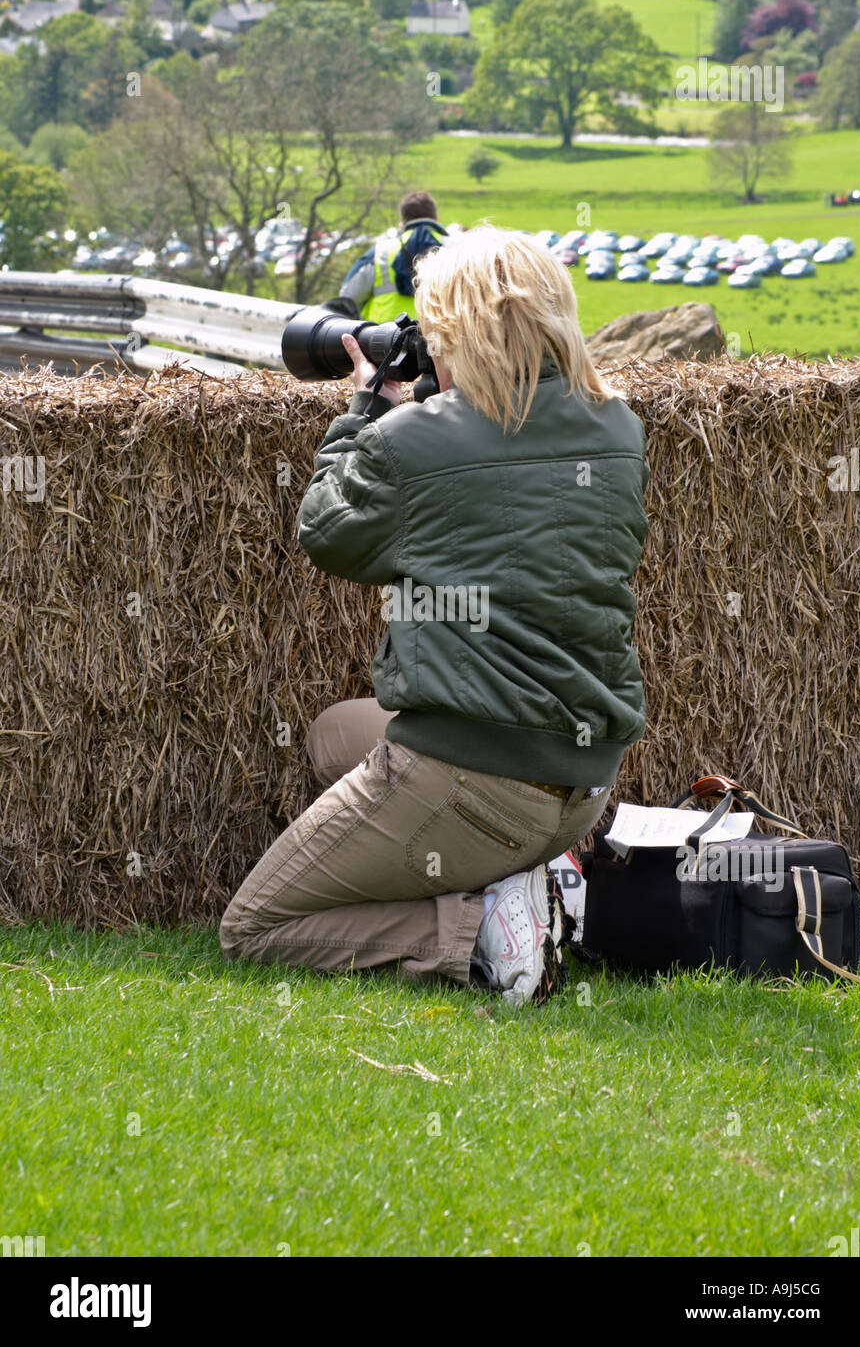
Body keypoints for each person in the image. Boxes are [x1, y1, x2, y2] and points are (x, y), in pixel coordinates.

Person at [220, 225, 649, 1007]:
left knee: (253, 925)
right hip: (582, 782)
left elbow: (329, 535)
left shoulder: (414, 439)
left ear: (456, 329)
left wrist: (362, 411)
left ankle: (481, 928)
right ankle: (542, 874)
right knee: (334, 734)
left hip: (473, 780)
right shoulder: (617, 427)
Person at [339, 190, 449, 322]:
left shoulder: (380, 252)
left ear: (402, 224)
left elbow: (347, 298)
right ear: (435, 219)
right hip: (439, 336)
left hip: (382, 337)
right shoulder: (455, 249)